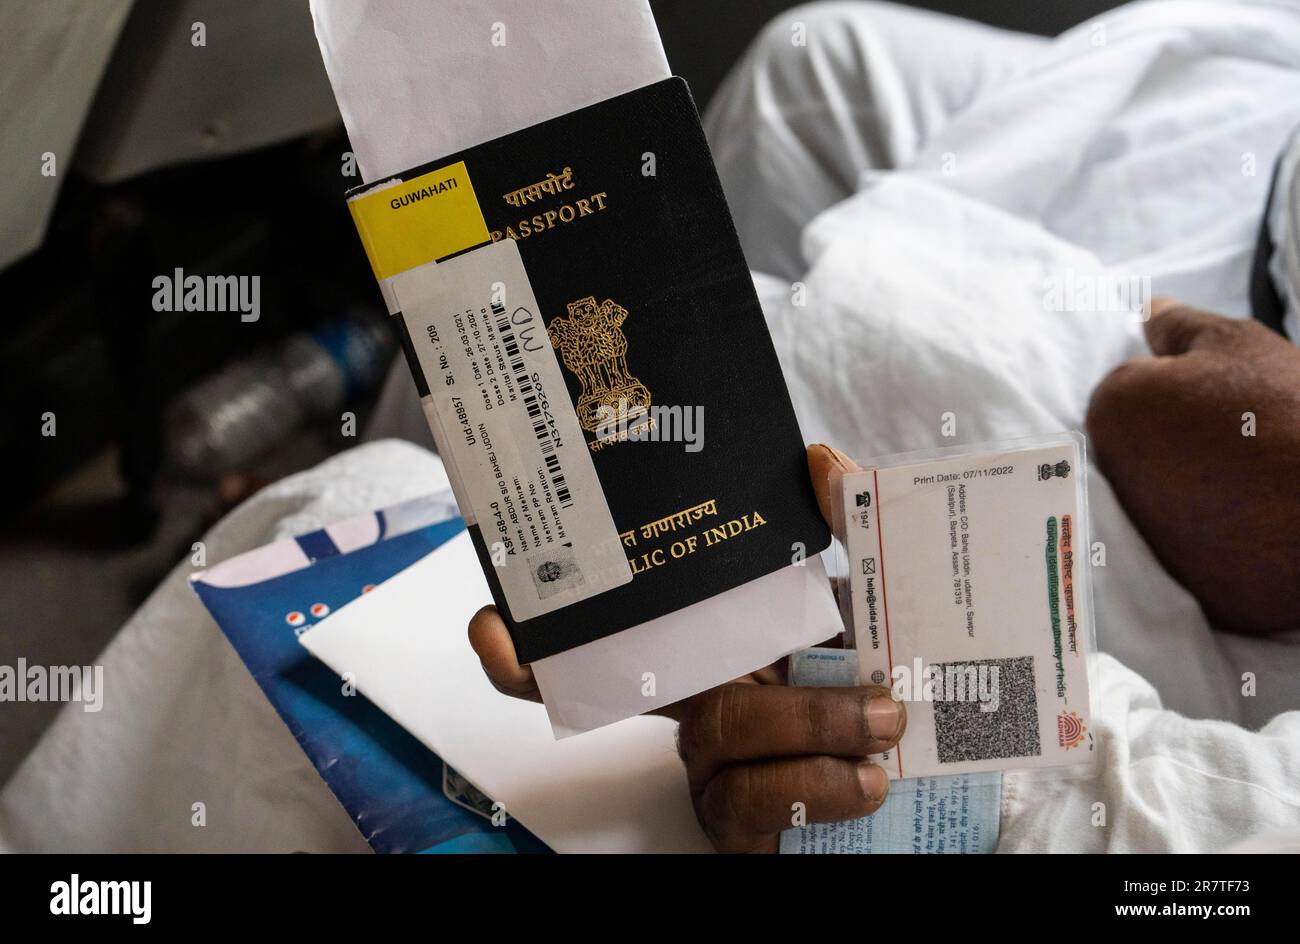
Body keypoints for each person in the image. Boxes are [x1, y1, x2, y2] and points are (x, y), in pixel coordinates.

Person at [467, 1, 1300, 852]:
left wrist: (958, 765)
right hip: (1274, 142)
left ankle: (474, 519)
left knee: (873, 350)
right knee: (816, 66)